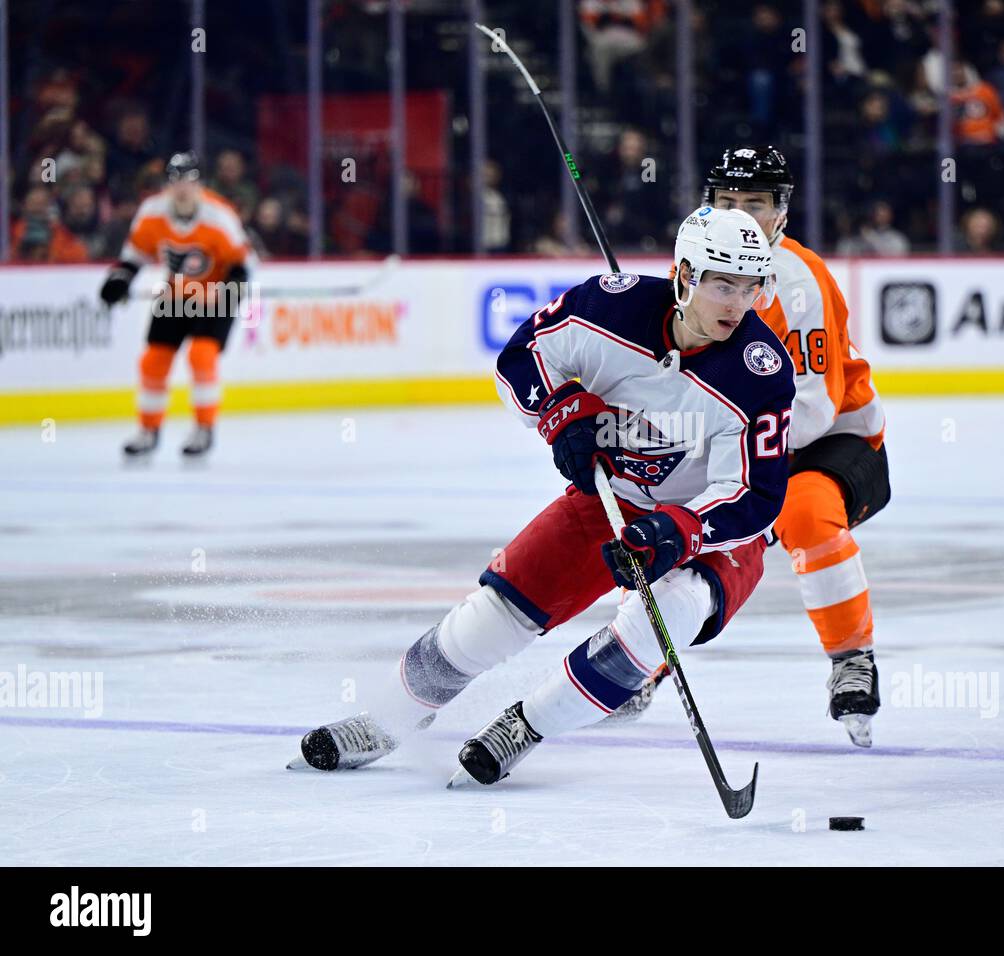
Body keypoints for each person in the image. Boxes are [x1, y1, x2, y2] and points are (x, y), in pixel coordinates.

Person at [293, 208, 795, 787]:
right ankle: (388, 718)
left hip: (710, 530)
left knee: (666, 618)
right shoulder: (609, 307)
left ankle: (526, 725)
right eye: (722, 284)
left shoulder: (760, 372)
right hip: (618, 496)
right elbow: (520, 359)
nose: (737, 304)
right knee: (491, 618)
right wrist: (562, 415)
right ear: (683, 276)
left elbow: (754, 494)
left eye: (749, 287)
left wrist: (679, 530)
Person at [620, 146, 891, 746]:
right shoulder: (689, 278)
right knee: (684, 526)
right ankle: (650, 655)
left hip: (833, 439)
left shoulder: (799, 284)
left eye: (756, 205)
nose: (741, 216)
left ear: (781, 213)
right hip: (744, 437)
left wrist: (739, 462)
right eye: (727, 203)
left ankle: (852, 658)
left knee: (802, 510)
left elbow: (817, 407)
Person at [98, 152, 253, 458]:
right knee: (153, 360)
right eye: (176, 180)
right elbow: (135, 255)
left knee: (201, 354)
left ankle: (204, 428)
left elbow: (241, 264)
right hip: (176, 295)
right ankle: (148, 430)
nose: (182, 187)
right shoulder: (152, 212)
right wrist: (120, 279)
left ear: (200, 184)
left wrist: (231, 290)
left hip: (213, 297)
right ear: (168, 184)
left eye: (189, 180)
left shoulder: (219, 216)